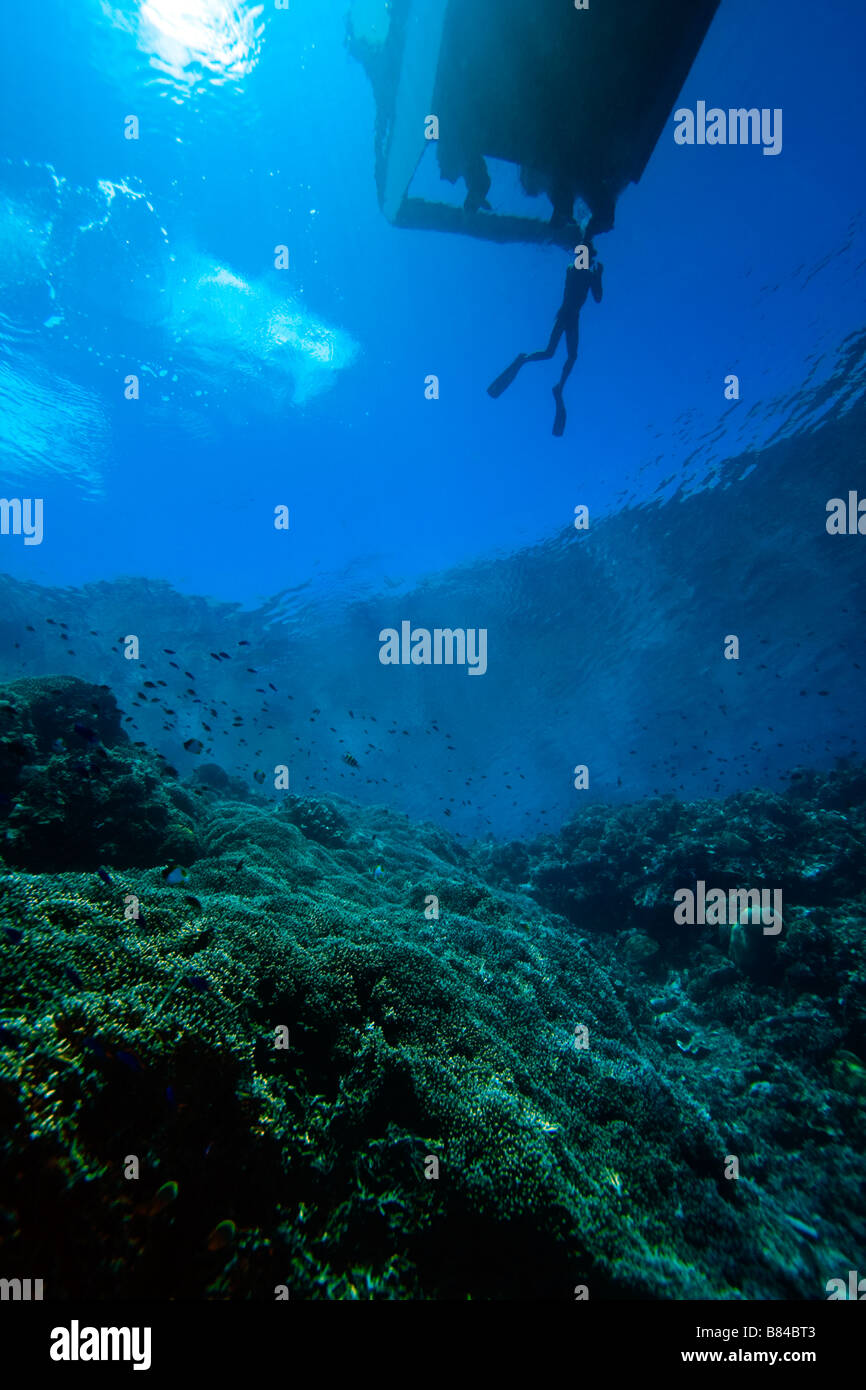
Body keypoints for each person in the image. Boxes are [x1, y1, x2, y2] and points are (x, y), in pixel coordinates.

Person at [487, 241, 603, 437]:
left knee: (569, 356)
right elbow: (585, 282)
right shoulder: (574, 269)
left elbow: (598, 297)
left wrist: (598, 277)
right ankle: (524, 361)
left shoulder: (586, 273)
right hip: (566, 315)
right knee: (551, 353)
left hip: (572, 317)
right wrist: (596, 276)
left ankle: (558, 386)